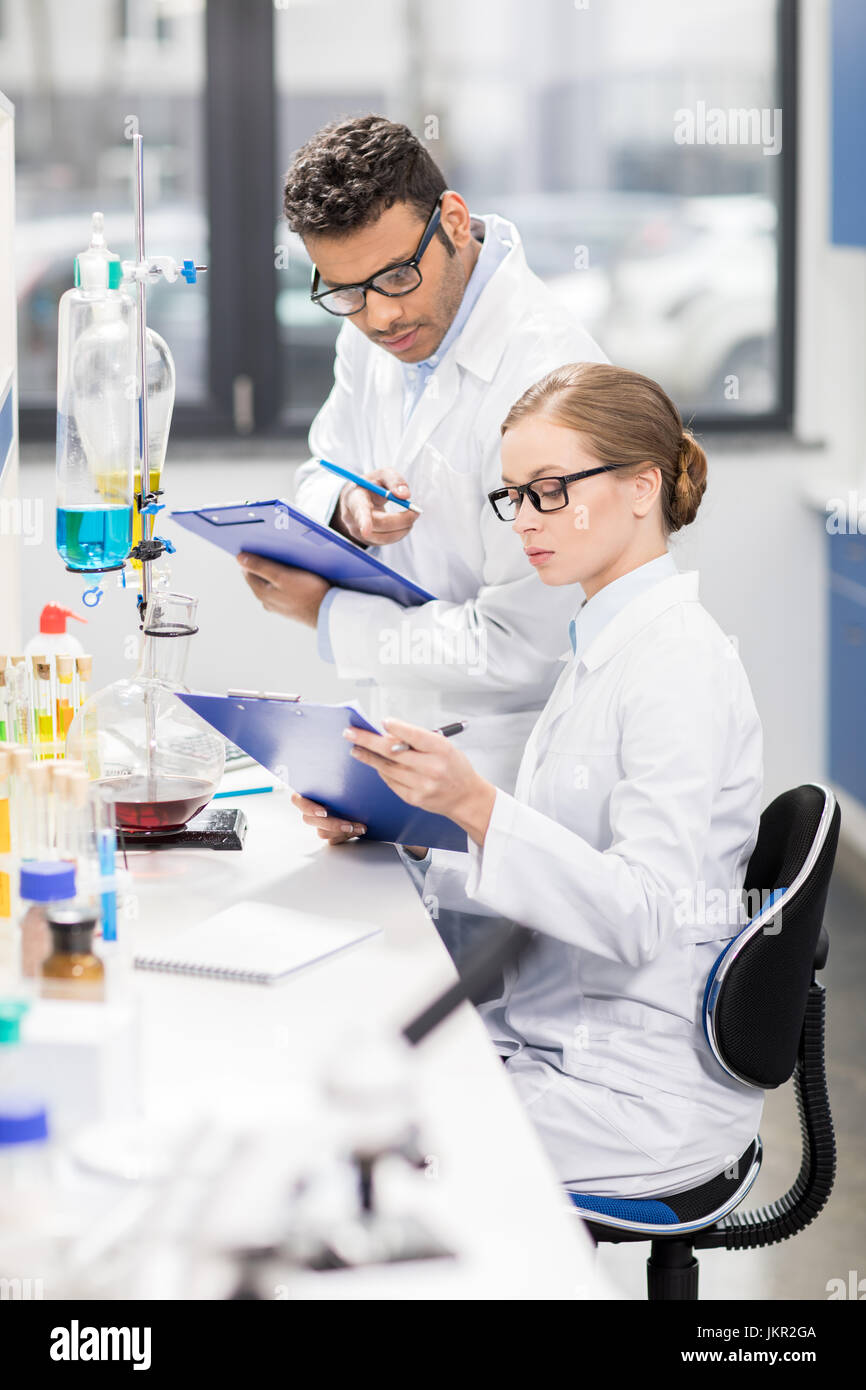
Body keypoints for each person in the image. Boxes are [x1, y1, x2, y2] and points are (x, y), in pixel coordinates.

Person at [295, 362, 765, 1198]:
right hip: (554, 1039)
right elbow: (555, 866)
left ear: (640, 487)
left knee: (352, 1152)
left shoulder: (679, 665)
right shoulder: (600, 645)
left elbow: (643, 915)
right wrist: (397, 822)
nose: (525, 522)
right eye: (512, 496)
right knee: (332, 1088)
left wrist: (475, 804)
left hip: (635, 1091)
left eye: (550, 491)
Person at [238, 114, 607, 793]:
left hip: (516, 780)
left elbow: (523, 647)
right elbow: (323, 464)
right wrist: (349, 509)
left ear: (455, 223)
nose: (379, 317)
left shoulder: (554, 378)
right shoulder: (372, 332)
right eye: (345, 292)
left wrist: (327, 616)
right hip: (401, 749)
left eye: (397, 278)